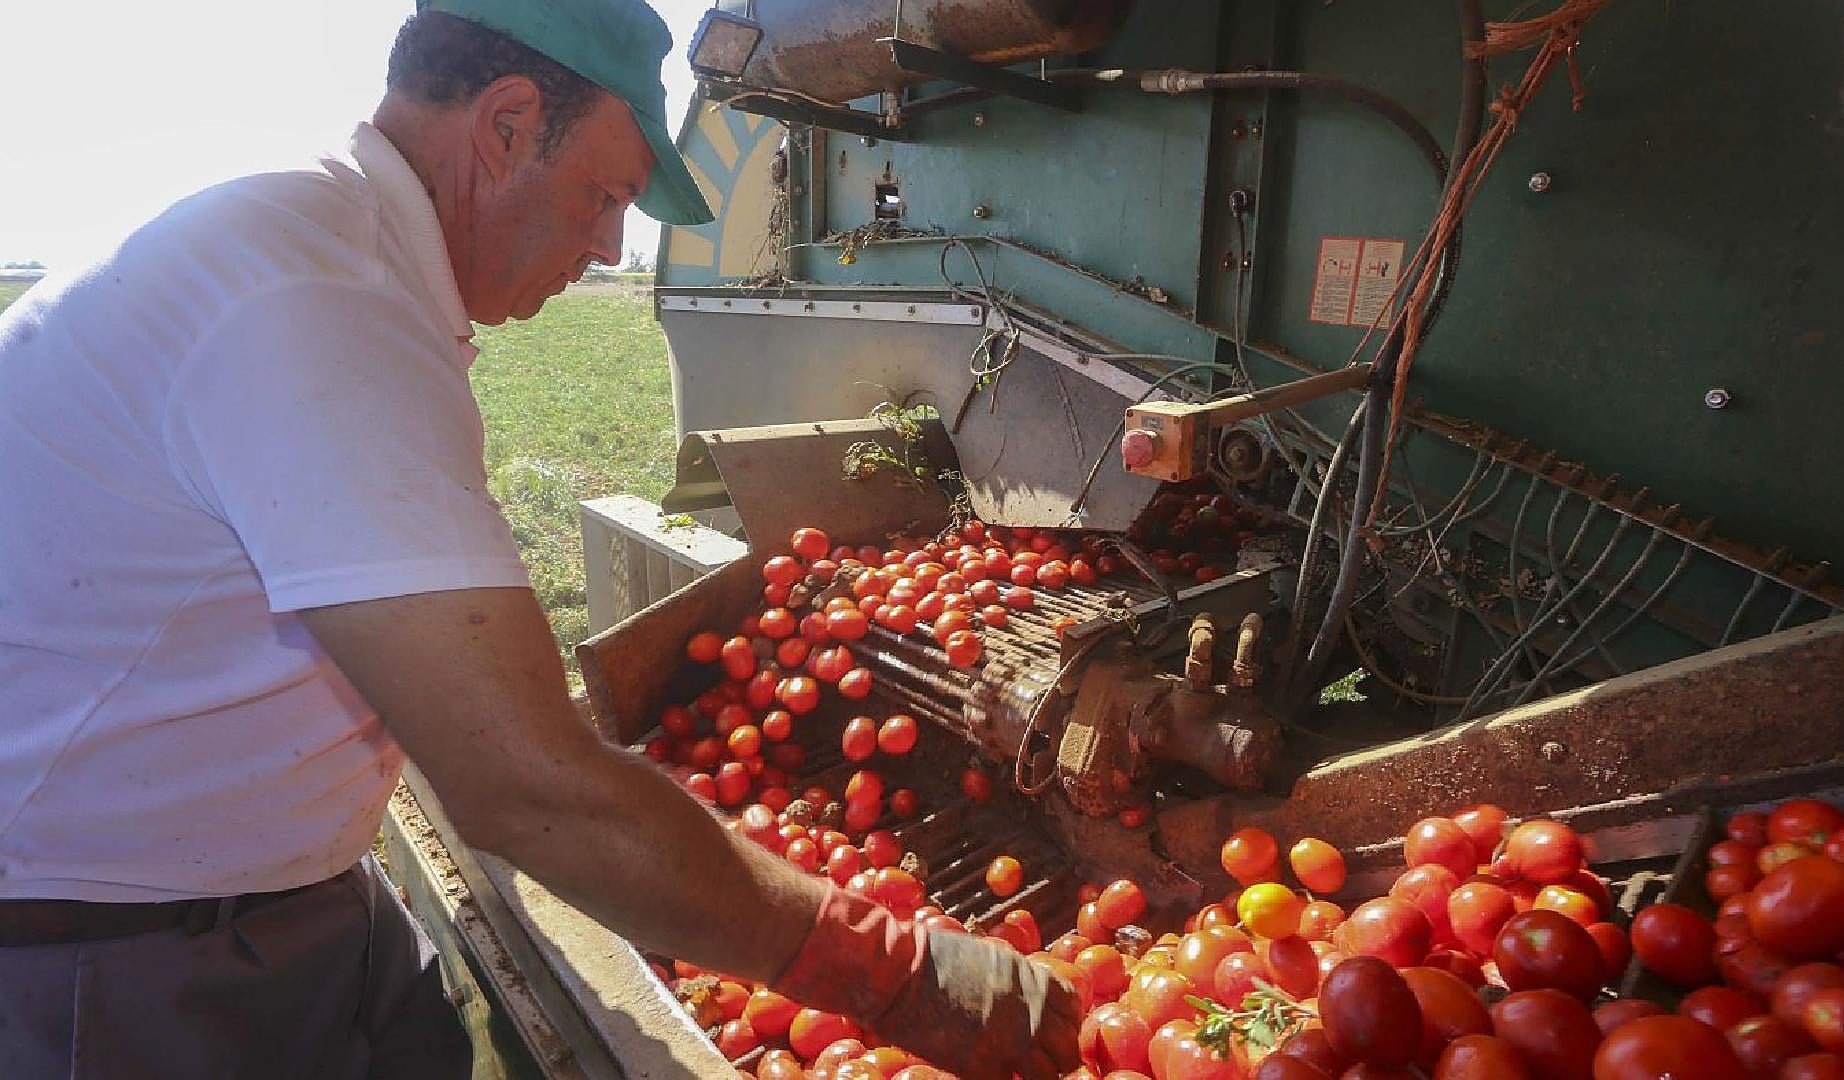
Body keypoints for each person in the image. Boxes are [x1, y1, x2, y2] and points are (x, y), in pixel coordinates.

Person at [0, 1, 1078, 1077]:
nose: (612, 243)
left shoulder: (325, 243)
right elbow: (523, 783)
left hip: (285, 890)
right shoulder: (313, 290)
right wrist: (899, 974)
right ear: (508, 124)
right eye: (605, 194)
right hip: (122, 963)